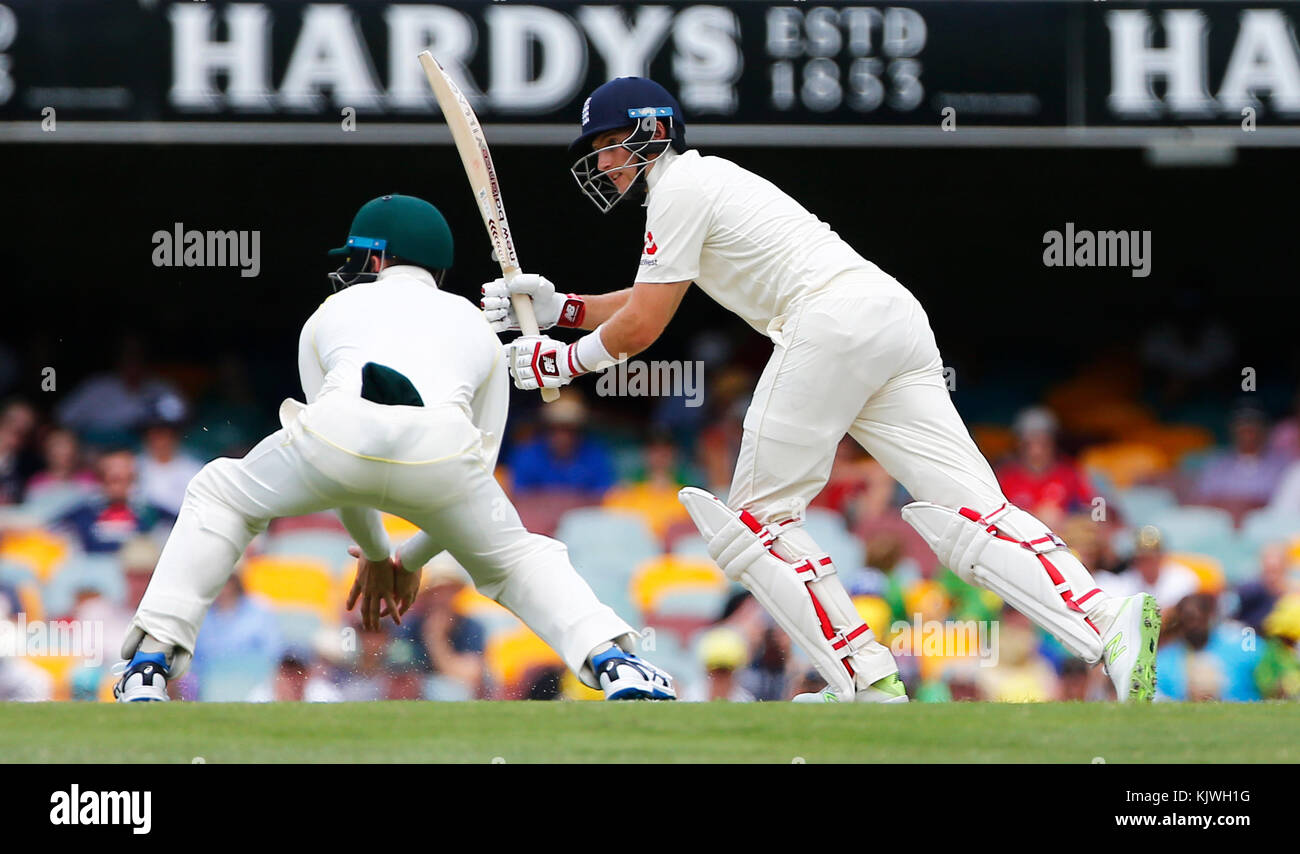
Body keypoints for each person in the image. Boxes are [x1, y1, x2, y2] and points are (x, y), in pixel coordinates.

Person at [481, 78, 1159, 703]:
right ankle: (1107, 620)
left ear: (651, 131)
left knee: (755, 520)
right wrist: (564, 308)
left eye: (608, 145)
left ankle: (863, 678)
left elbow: (643, 328)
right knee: (972, 512)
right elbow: (646, 300)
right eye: (595, 151)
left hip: (830, 320)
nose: (602, 163)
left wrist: (558, 363)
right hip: (889, 317)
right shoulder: (703, 185)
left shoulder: (680, 187)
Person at [112, 193, 674, 703]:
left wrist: (380, 556)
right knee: (519, 558)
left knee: (221, 493)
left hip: (335, 438)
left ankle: (150, 664)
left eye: (358, 257)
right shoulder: (477, 325)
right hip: (444, 456)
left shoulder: (329, 313)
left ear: (378, 259)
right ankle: (615, 661)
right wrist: (408, 560)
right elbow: (475, 471)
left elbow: (343, 463)